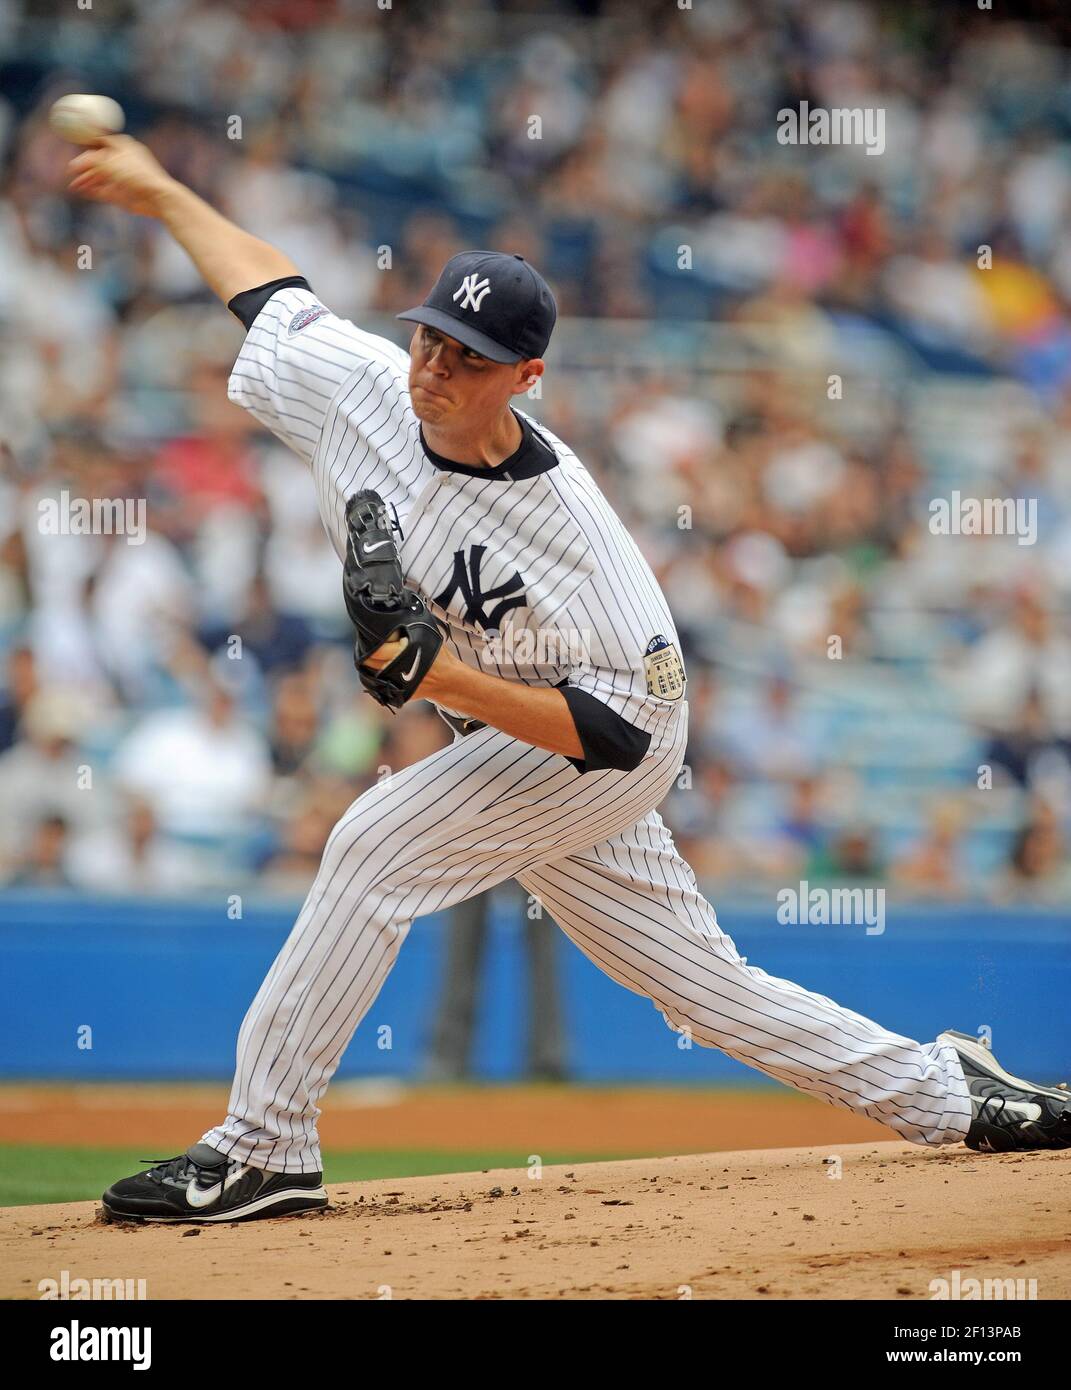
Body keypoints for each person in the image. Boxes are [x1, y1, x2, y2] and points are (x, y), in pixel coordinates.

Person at [64, 135, 1071, 1224]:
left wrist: (448, 675)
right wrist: (163, 190)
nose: (434, 371)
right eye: (430, 341)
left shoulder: (572, 536)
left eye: (468, 358)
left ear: (527, 376)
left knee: (371, 845)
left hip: (607, 738)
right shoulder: (362, 387)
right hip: (519, 733)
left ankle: (264, 1148)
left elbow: (630, 731)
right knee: (704, 986)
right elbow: (265, 287)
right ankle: (956, 1093)